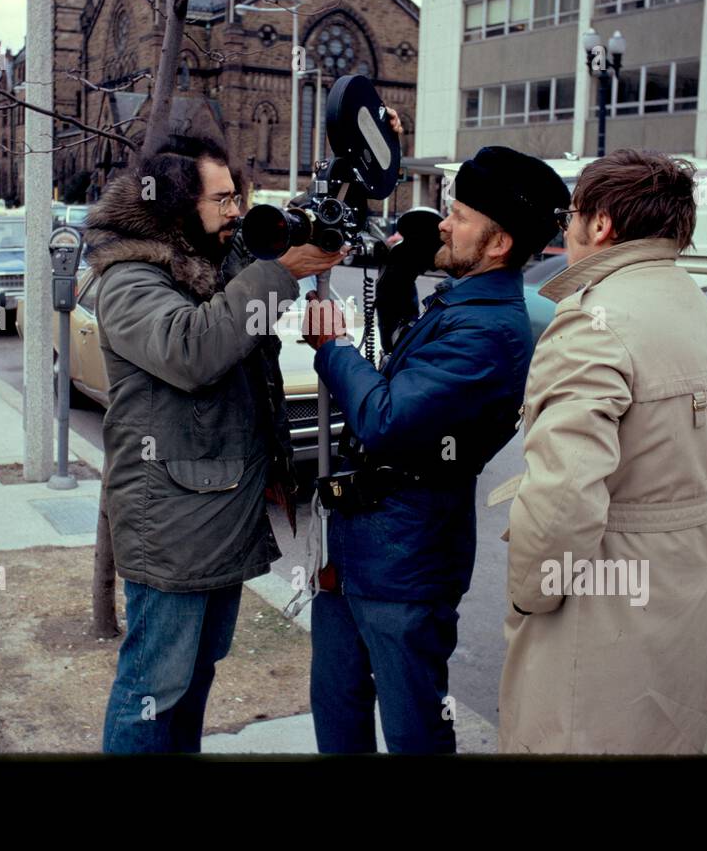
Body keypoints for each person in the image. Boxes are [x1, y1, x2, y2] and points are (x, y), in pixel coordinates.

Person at [83, 132, 345, 754]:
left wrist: (346, 168)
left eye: (238, 197)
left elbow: (250, 360)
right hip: (170, 523)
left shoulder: (212, 260)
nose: (235, 211)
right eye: (223, 199)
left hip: (221, 510)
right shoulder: (129, 277)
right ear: (178, 205)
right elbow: (195, 349)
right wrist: (279, 274)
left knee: (197, 678)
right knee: (154, 688)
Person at [301, 143, 567, 753]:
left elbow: (387, 419)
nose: (443, 223)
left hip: (405, 565)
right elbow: (402, 367)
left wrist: (332, 347)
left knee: (413, 728)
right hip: (356, 548)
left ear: (499, 243)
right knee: (337, 708)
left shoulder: (490, 330)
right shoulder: (461, 302)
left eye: (461, 216)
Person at [497, 148, 707, 755]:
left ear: (601, 223)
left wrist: (531, 596)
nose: (566, 228)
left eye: (571, 214)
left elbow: (562, 501)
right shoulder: (705, 312)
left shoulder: (592, 322)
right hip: (689, 605)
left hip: (602, 618)